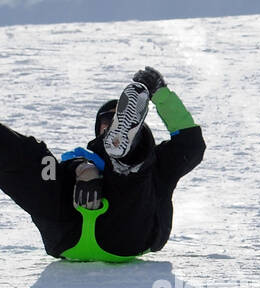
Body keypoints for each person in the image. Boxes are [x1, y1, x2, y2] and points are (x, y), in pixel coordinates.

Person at [0, 67, 204, 260]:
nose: (110, 128)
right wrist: (82, 169)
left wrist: (161, 95)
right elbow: (64, 169)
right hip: (69, 232)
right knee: (35, 157)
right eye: (108, 123)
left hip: (128, 235)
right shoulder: (80, 156)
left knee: (138, 169)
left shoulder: (158, 166)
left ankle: (127, 161)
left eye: (119, 122)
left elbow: (190, 145)